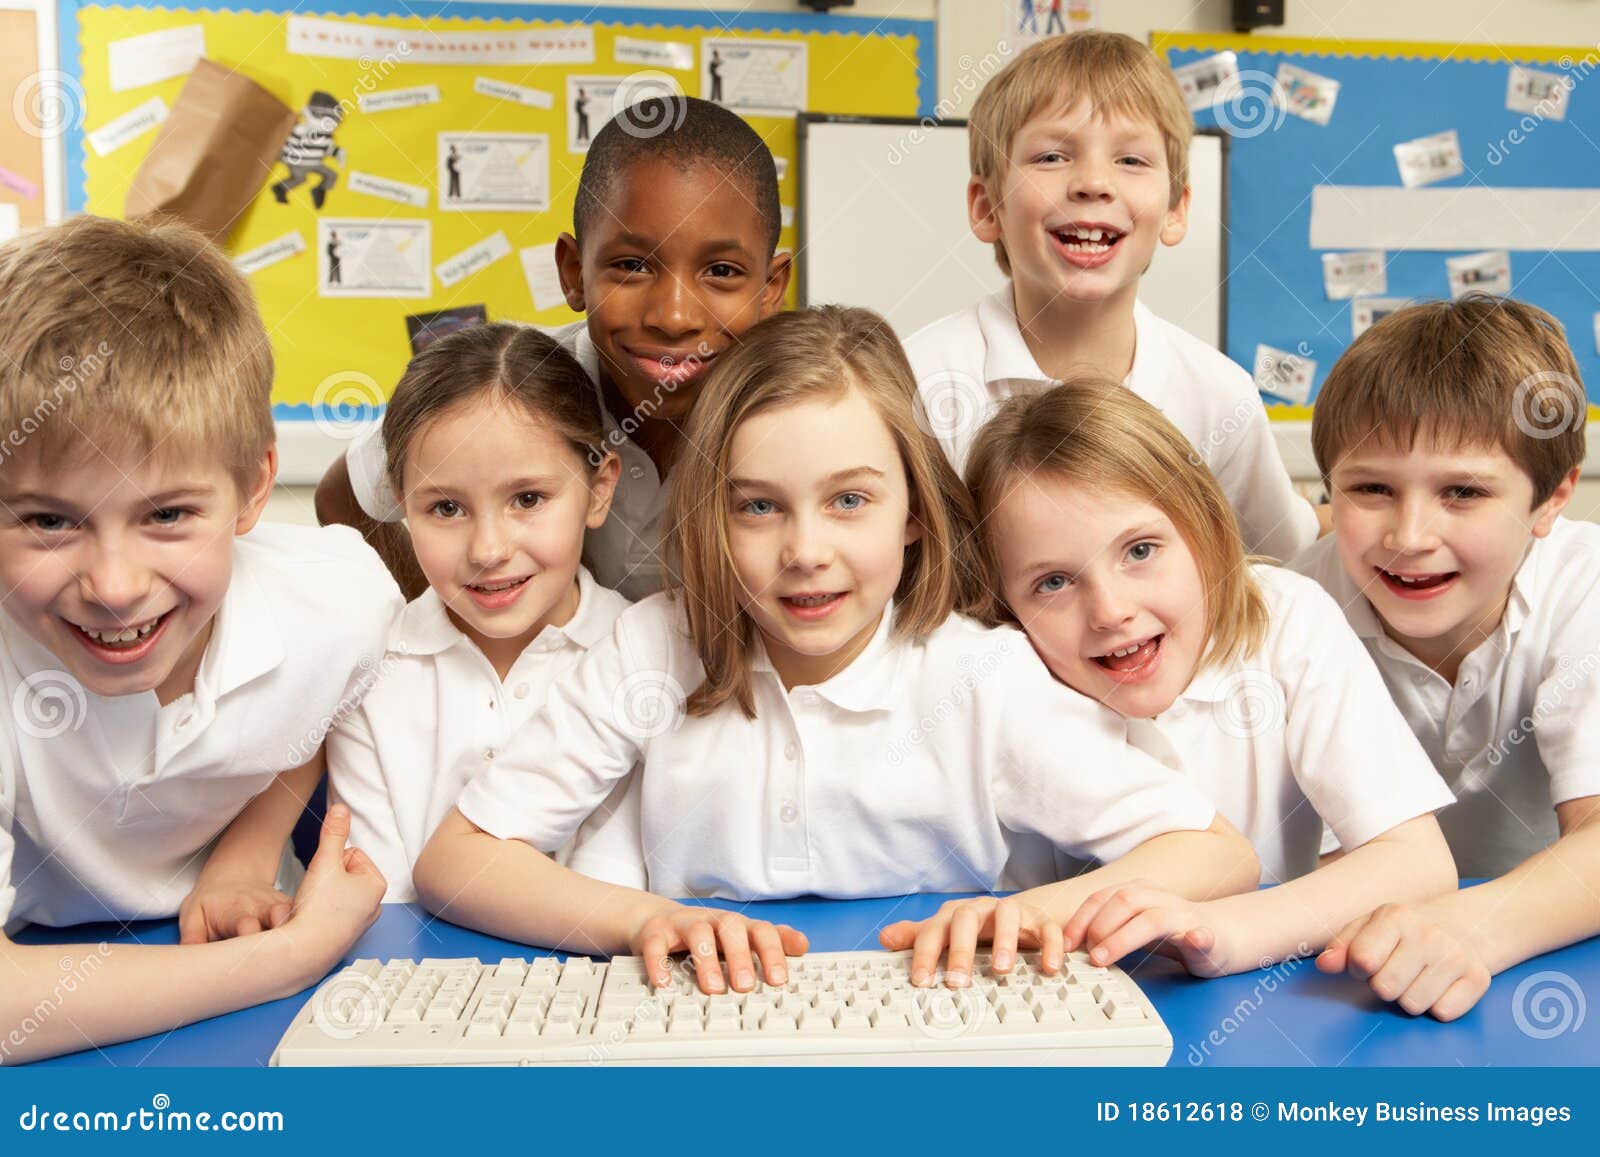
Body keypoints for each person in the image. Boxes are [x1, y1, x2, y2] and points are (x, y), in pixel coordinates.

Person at [412, 306, 1258, 995]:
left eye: (849, 499)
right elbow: (458, 859)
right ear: (712, 514)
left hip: (942, 1016)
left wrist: (1038, 910)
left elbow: (1216, 851)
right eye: (758, 507)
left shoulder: (979, 677)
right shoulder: (655, 647)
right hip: (709, 1020)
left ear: (915, 512)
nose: (805, 550)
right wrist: (640, 920)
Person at [893, 374, 1456, 986]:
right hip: (1048, 989)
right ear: (1003, 604)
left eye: (1139, 551)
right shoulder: (994, 670)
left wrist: (1229, 932)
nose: (1111, 610)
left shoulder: (1290, 619)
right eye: (1053, 582)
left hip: (1254, 991)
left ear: (1204, 528)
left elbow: (1417, 862)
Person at [0, 215, 393, 1062]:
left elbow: (326, 699)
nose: (113, 585)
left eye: (168, 515)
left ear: (254, 488)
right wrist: (289, 955)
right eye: (48, 520)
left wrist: (246, 859)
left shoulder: (343, 597)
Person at [315, 96, 791, 602]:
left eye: (721, 272)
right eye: (632, 265)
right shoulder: (511, 384)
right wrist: (451, 623)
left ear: (770, 289)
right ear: (573, 273)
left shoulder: (799, 413)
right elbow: (344, 496)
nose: (674, 317)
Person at [1292, 294, 1600, 1020]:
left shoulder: (1587, 584)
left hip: (1547, 950)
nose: (1409, 534)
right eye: (1370, 489)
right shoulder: (1292, 604)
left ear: (1552, 496)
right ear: (1327, 486)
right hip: (1348, 965)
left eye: (1462, 491)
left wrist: (1472, 926)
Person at [904, 30, 1321, 560]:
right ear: (987, 207)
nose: (1093, 183)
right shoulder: (913, 382)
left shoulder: (1219, 398)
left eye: (1131, 161)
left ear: (1175, 210)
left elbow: (1279, 567)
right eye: (1052, 157)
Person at [328, 325, 643, 901]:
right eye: (446, 507)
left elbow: (617, 884)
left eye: (527, 499)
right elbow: (377, 901)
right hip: (423, 985)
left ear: (598, 490)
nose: (488, 550)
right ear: (403, 503)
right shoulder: (368, 669)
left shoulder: (645, 653)